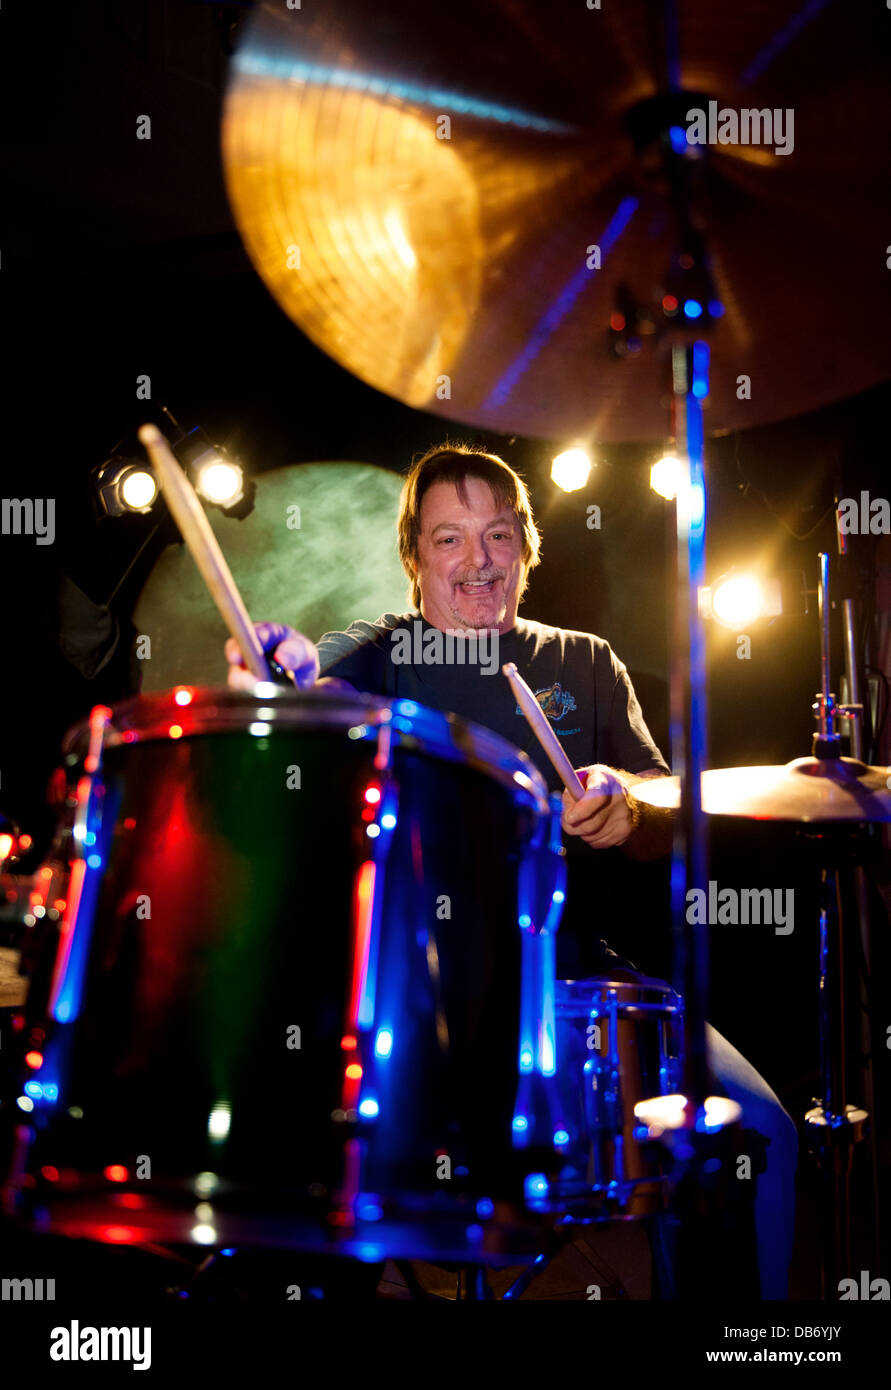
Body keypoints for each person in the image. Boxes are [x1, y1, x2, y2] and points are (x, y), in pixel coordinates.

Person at [226, 443, 798, 1298]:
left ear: (527, 548)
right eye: (448, 539)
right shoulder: (377, 653)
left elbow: (662, 808)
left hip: (569, 978)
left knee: (754, 1134)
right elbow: (307, 696)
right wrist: (274, 682)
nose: (477, 560)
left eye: (497, 535)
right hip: (405, 989)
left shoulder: (586, 662)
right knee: (291, 1141)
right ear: (413, 558)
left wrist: (627, 805)